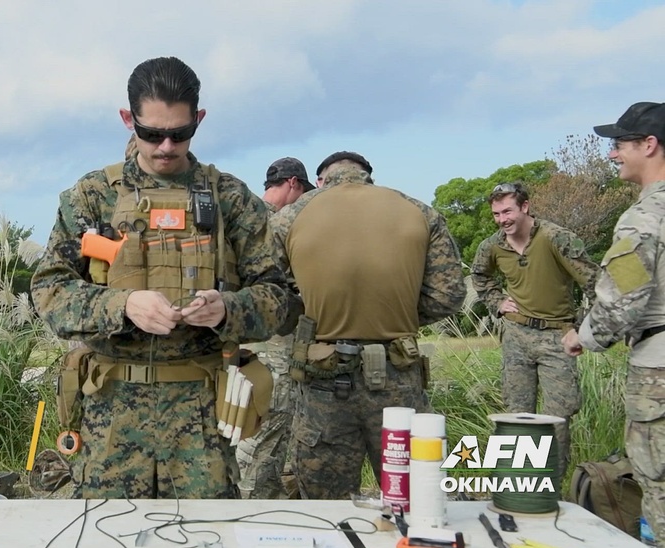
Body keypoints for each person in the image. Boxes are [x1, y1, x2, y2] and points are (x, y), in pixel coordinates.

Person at [31, 56, 300, 499]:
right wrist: (122, 305)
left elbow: (280, 300)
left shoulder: (230, 198)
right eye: (152, 133)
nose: (167, 147)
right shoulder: (92, 197)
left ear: (199, 119)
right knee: (107, 532)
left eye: (180, 133)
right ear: (128, 119)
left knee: (206, 534)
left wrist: (228, 309)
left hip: (202, 421)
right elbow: (49, 291)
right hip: (111, 417)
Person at [270, 155, 464, 499]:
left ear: (321, 180)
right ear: (369, 177)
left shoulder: (290, 216)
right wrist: (397, 314)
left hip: (324, 381)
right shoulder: (420, 212)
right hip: (398, 377)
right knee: (414, 497)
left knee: (327, 507)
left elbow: (268, 294)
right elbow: (448, 296)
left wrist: (309, 314)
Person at [563, 101, 665, 543]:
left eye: (620, 143)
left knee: (659, 490)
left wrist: (583, 337)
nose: (612, 153)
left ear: (649, 144)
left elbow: (621, 301)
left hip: (658, 370)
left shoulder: (644, 218)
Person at [471, 182, 598, 478]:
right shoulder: (492, 246)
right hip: (516, 336)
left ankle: (550, 487)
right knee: (516, 416)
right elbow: (479, 275)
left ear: (525, 207)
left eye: (507, 212)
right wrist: (497, 301)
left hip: (557, 338)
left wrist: (582, 329)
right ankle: (517, 486)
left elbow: (595, 282)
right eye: (496, 214)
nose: (502, 220)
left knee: (558, 418)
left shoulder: (556, 238)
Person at [235, 157, 314, 499]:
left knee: (249, 424)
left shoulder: (246, 216)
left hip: (246, 346)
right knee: (270, 426)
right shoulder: (281, 223)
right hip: (277, 347)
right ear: (294, 183)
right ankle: (253, 499)